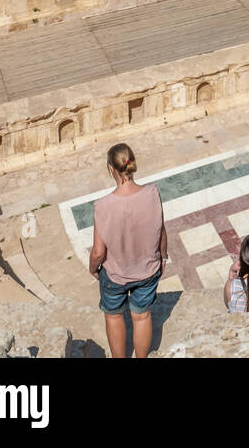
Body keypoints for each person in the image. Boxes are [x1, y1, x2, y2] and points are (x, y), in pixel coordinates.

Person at [89, 143, 167, 359]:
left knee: (114, 317)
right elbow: (161, 231)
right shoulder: (152, 193)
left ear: (111, 170)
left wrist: (93, 269)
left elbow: (98, 252)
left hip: (116, 274)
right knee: (141, 317)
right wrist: (163, 257)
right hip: (148, 270)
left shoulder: (102, 206)